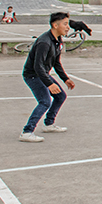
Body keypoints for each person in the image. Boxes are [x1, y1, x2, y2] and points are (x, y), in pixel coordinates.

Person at [19, 12, 76, 142]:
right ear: (55, 25)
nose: (68, 27)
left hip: (42, 74)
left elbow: (56, 62)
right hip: (33, 75)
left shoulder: (57, 40)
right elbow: (37, 66)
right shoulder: (44, 42)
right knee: (45, 101)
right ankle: (27, 132)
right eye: (65, 24)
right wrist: (49, 84)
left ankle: (49, 124)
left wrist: (65, 79)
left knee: (60, 96)